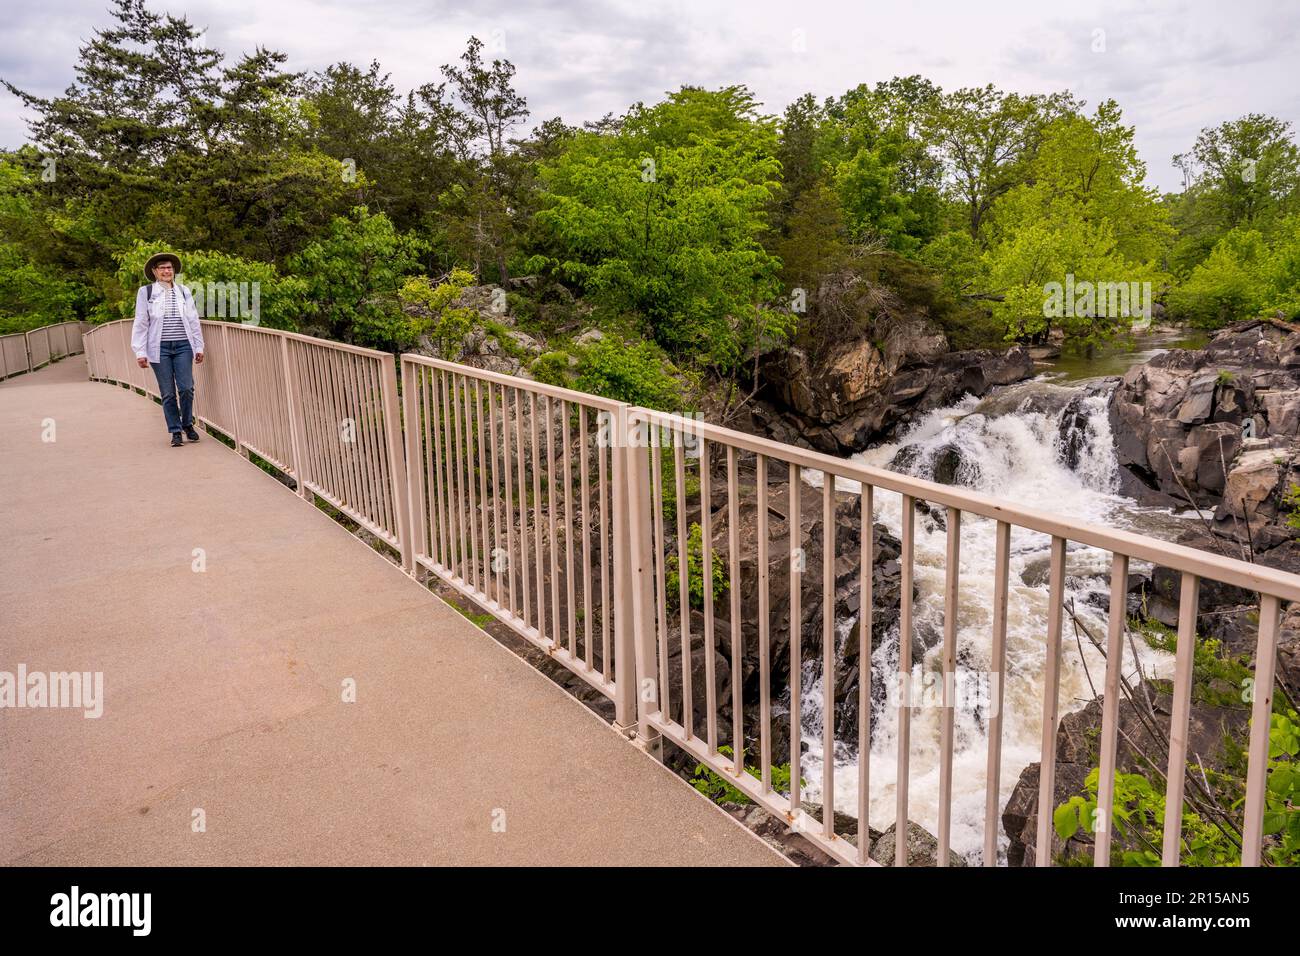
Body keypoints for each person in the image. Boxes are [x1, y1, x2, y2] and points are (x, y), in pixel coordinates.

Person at [130, 252, 205, 447]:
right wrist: (140, 352)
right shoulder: (145, 292)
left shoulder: (183, 291)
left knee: (186, 388)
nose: (166, 271)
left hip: (183, 346)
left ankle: (187, 424)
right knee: (168, 393)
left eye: (169, 268)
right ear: (155, 272)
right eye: (162, 268)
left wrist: (198, 346)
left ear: (174, 271)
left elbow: (193, 320)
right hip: (159, 349)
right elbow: (141, 322)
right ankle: (175, 431)